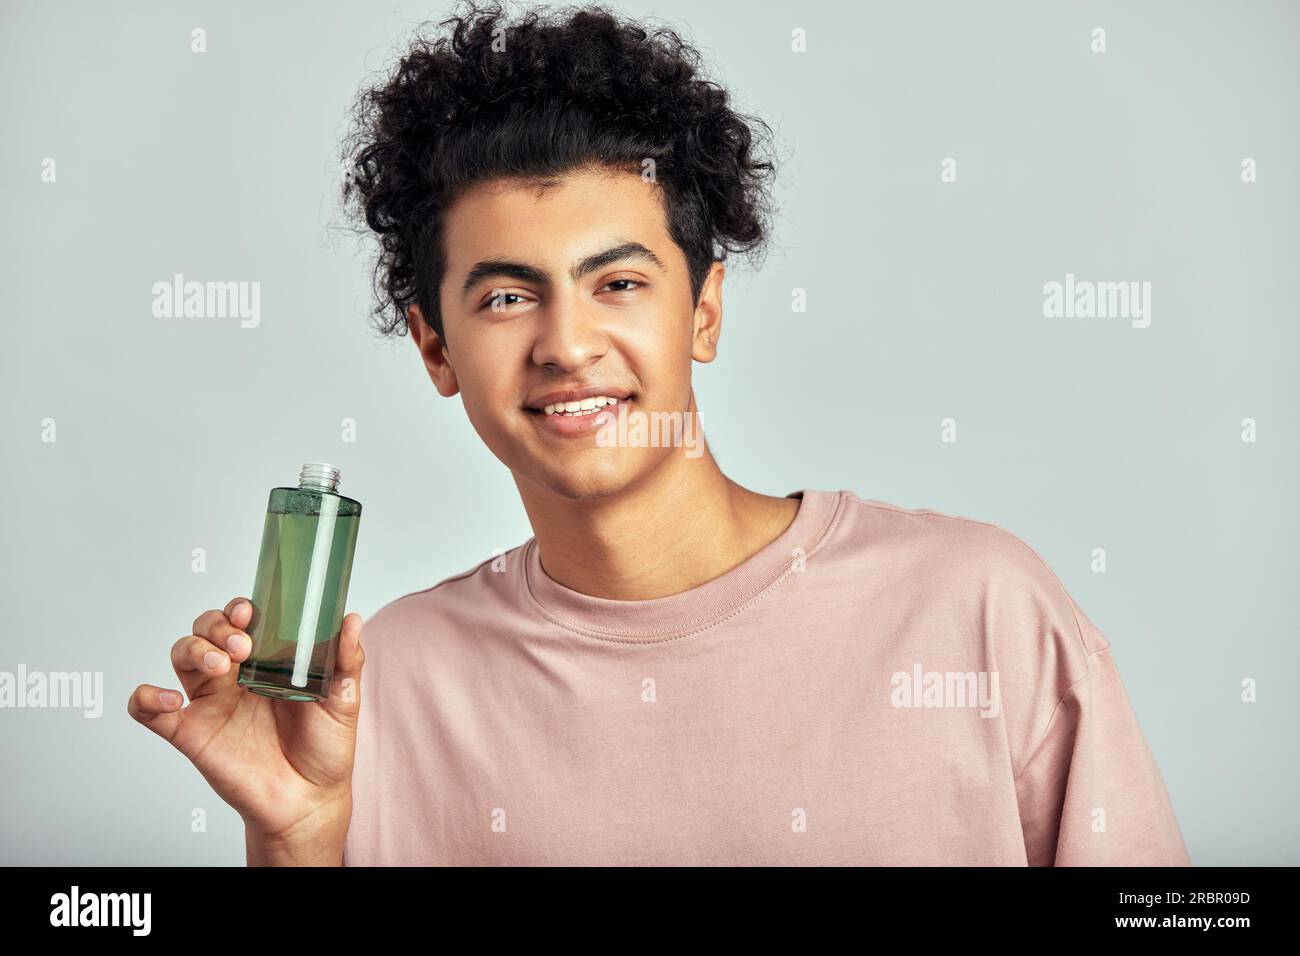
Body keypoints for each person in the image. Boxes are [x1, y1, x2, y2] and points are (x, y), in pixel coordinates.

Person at [128, 0, 1190, 866]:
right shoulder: (381, 682)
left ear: (705, 311)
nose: (566, 343)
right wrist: (301, 835)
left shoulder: (977, 608)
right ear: (435, 348)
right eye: (505, 298)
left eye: (619, 282)